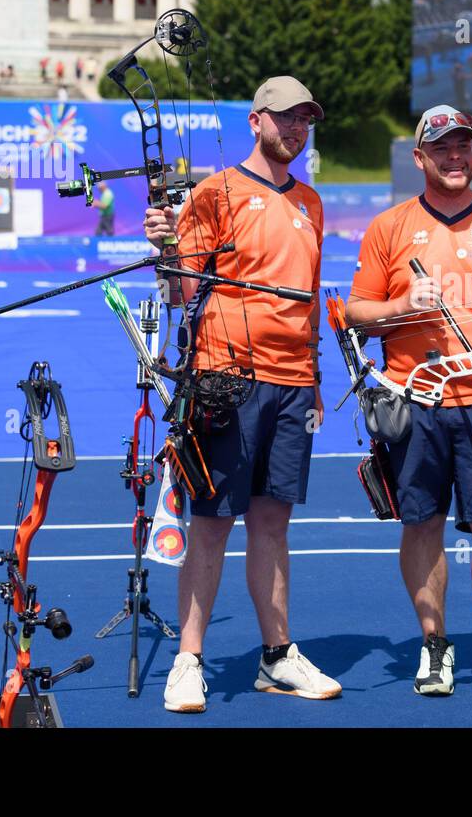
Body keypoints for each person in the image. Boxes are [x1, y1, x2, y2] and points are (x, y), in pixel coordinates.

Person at [142, 76, 340, 712]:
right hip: (226, 377)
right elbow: (180, 291)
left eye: (305, 120)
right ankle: (188, 658)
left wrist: (312, 379)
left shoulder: (310, 202)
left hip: (290, 384)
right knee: (211, 522)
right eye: (286, 118)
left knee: (273, 523)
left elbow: (309, 301)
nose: (296, 130)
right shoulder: (217, 191)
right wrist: (162, 245)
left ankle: (277, 657)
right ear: (256, 121)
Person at [345, 105, 472, 701]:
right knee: (422, 524)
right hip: (415, 402)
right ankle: (434, 645)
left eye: (463, 146)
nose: (455, 157)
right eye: (442, 148)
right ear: (420, 159)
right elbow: (356, 314)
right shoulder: (389, 228)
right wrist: (403, 304)